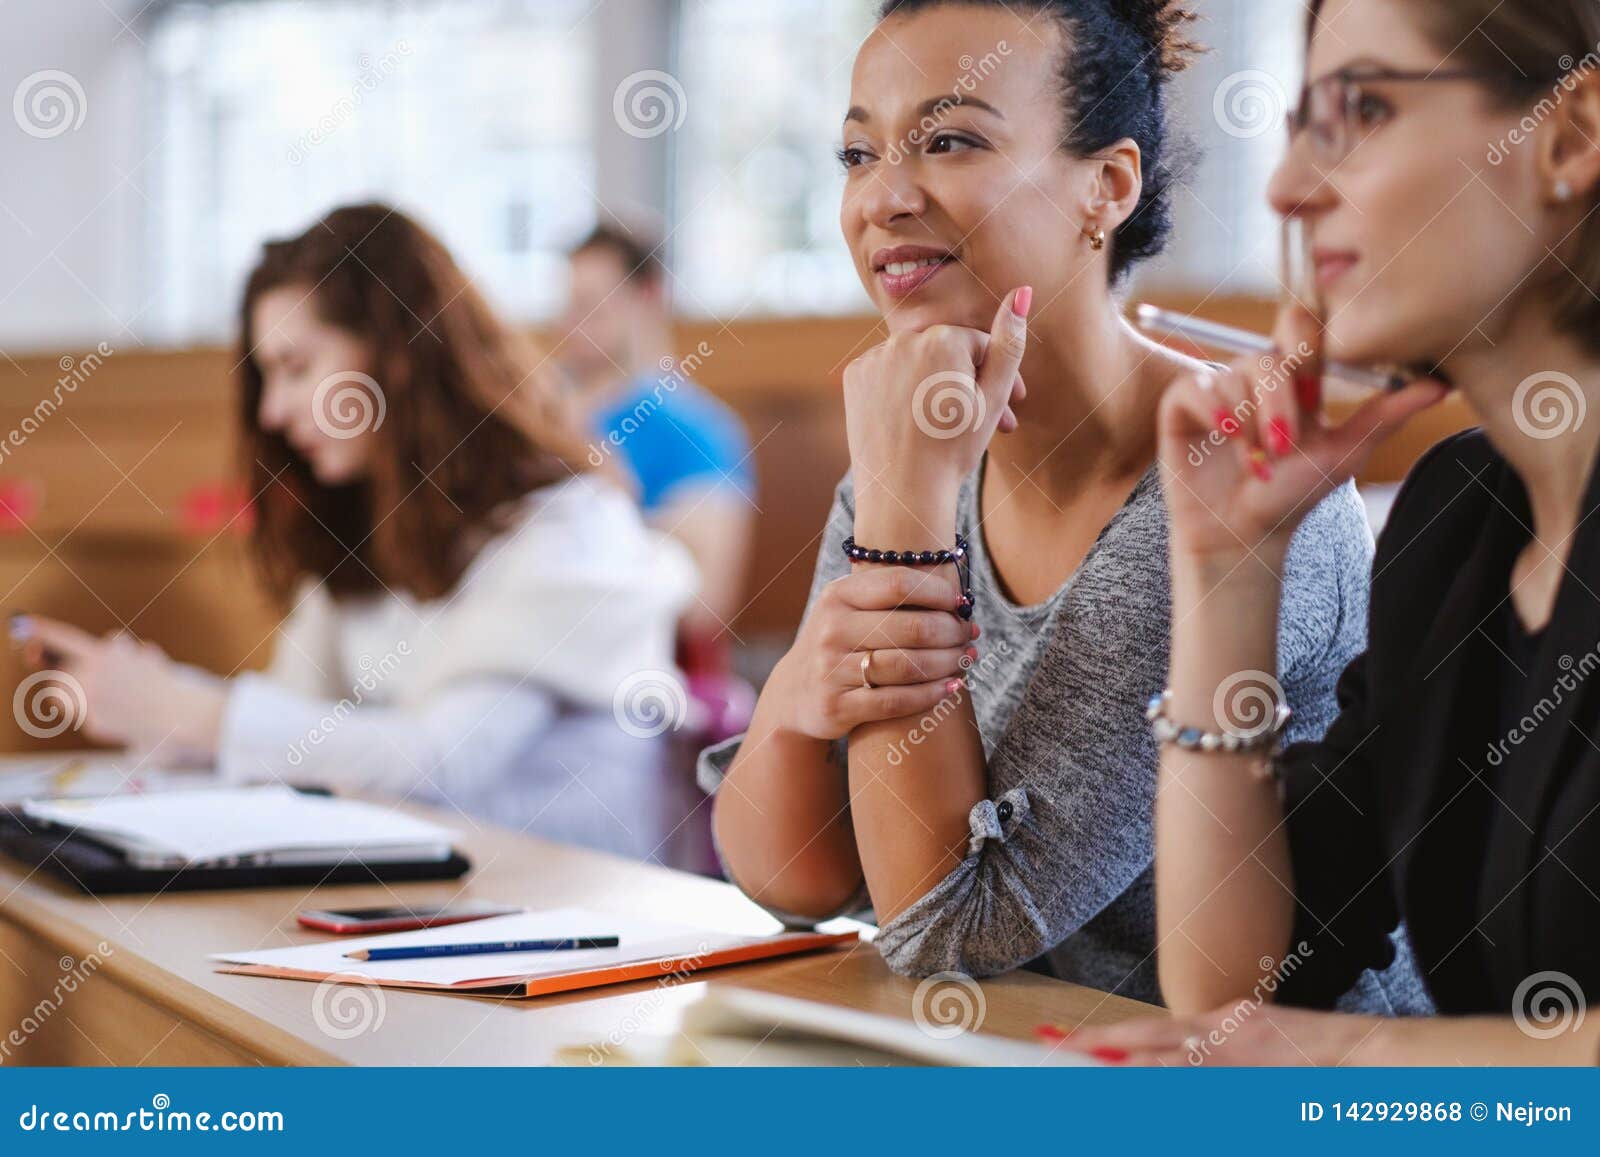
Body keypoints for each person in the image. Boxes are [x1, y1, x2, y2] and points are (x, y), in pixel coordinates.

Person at [698, 0, 1425, 1012]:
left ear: (1107, 185)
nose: (884, 196)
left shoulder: (1231, 482)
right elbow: (797, 876)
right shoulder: (906, 452)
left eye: (949, 140)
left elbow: (950, 927)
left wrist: (904, 525)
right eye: (856, 153)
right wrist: (787, 706)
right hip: (1011, 1052)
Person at [1067, 0, 1600, 1064]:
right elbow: (1230, 988)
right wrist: (1226, 564)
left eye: (1360, 109)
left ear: (1570, 134)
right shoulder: (1457, 522)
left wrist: (1352, 1056)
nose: (1289, 189)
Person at [16, 204, 703, 864]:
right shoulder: (360, 525)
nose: (275, 410)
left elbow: (443, 764)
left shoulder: (570, 530)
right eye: (267, 377)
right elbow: (295, 720)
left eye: (296, 367)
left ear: (396, 356)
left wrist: (189, 711)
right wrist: (153, 701)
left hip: (582, 938)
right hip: (426, 919)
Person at [559, 220, 756, 644]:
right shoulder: (546, 416)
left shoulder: (699, 432)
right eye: (570, 306)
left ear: (646, 295)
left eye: (591, 305)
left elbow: (706, 609)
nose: (573, 324)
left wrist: (611, 508)